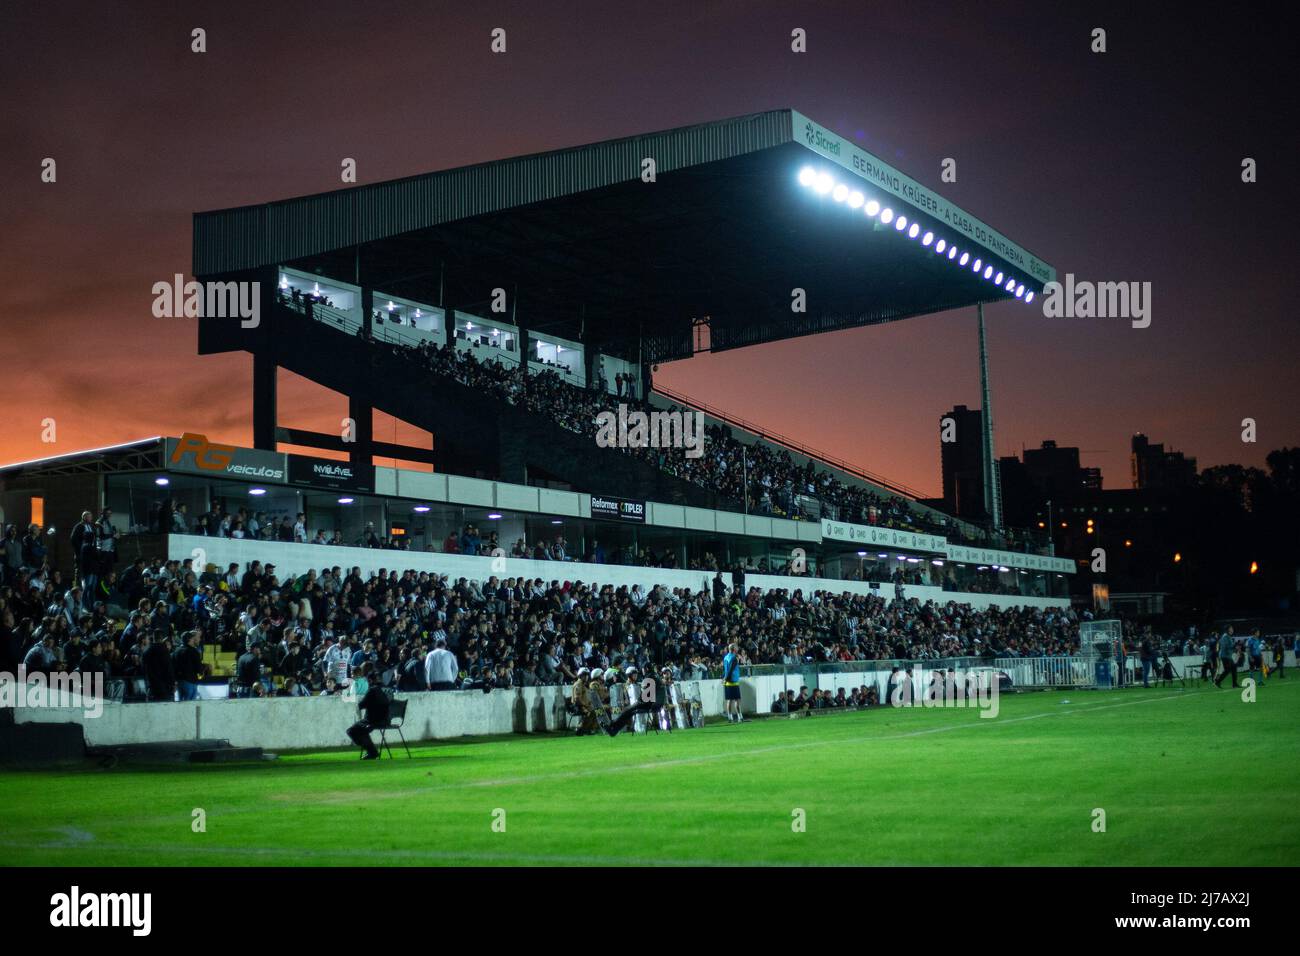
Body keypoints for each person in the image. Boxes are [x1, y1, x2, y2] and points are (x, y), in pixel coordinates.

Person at [347, 664, 390, 760]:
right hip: (386, 720)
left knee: (351, 730)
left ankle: (372, 751)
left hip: (373, 721)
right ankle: (372, 752)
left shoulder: (372, 691)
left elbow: (361, 705)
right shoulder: (384, 690)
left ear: (370, 680)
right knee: (362, 730)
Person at [721, 642, 743, 723]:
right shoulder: (734, 658)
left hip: (727, 682)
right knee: (737, 700)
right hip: (733, 681)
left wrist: (724, 678)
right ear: (734, 649)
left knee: (729, 700)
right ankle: (740, 717)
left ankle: (730, 717)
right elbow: (731, 669)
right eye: (736, 647)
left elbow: (726, 669)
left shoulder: (726, 657)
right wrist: (725, 678)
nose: (737, 648)